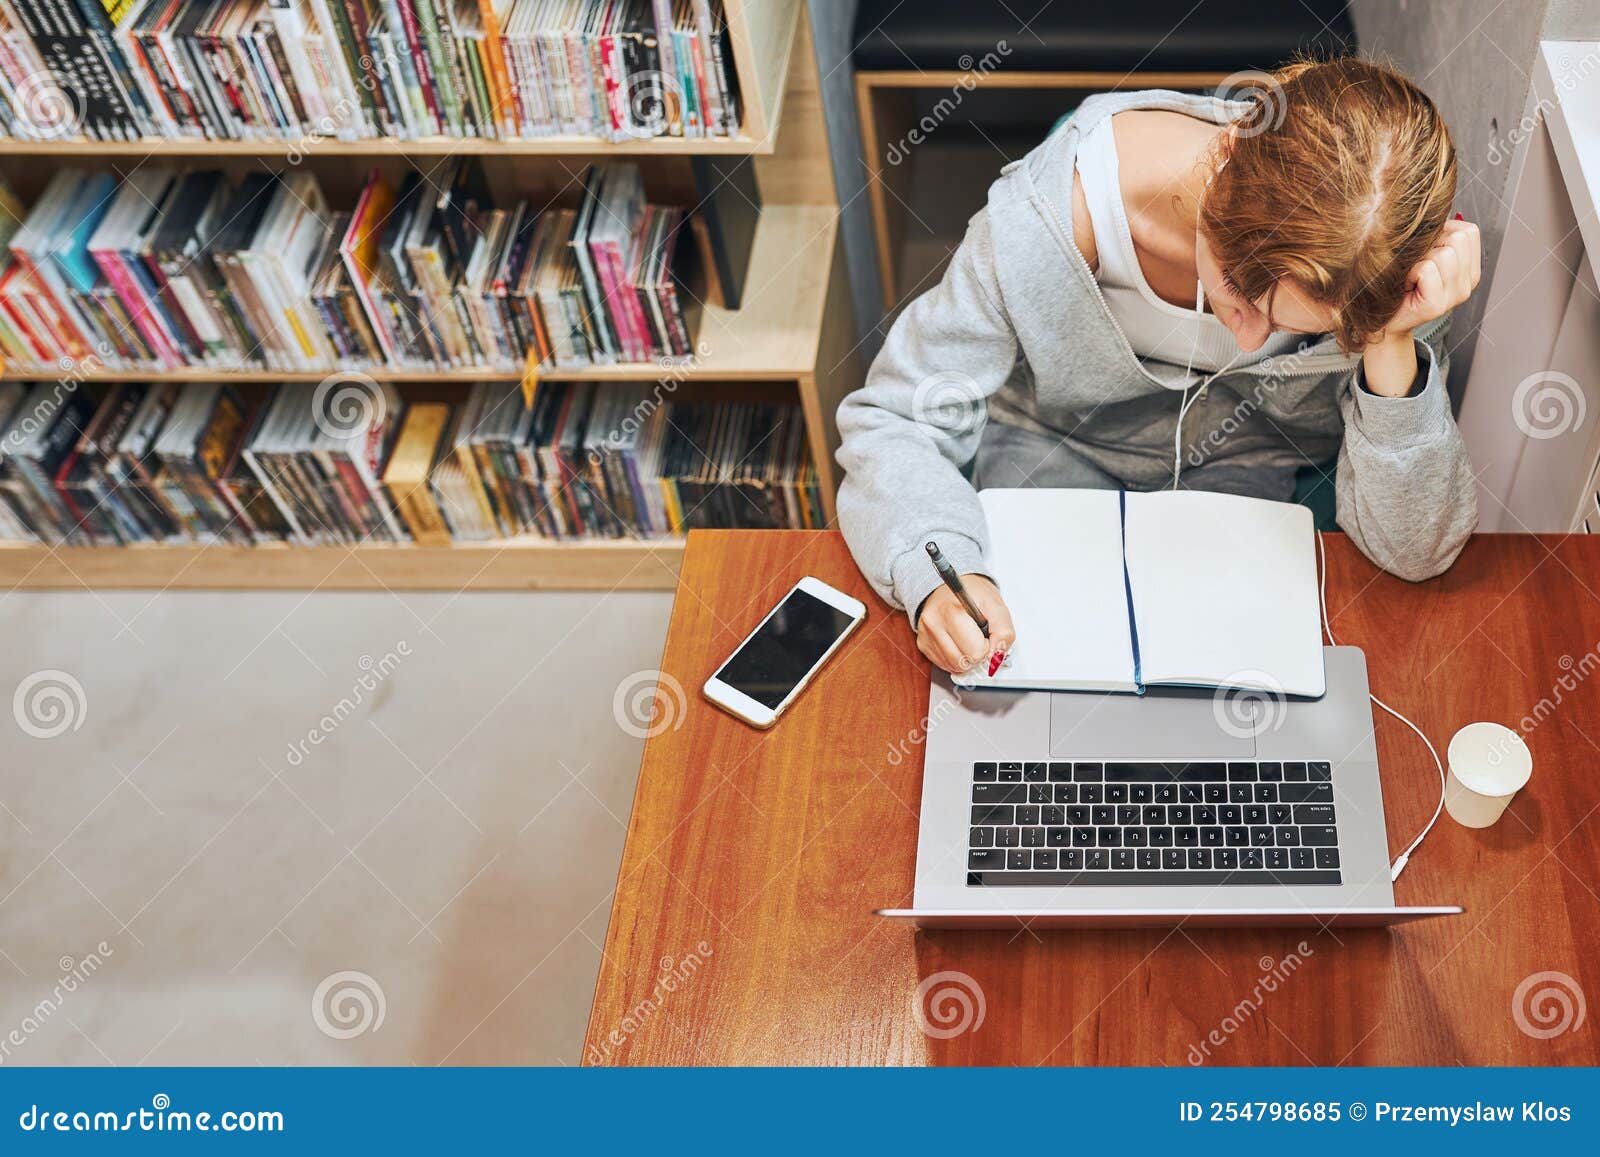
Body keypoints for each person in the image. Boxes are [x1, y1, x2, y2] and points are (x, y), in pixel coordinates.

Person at [835, 57, 1481, 676]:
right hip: (1055, 455)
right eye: (1237, 285)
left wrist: (1390, 336)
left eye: (1291, 327)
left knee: (1224, 758)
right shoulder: (1037, 229)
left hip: (1246, 477)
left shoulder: (1392, 282)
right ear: (1227, 153)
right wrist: (938, 579)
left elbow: (1415, 550)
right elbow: (892, 420)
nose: (1252, 342)